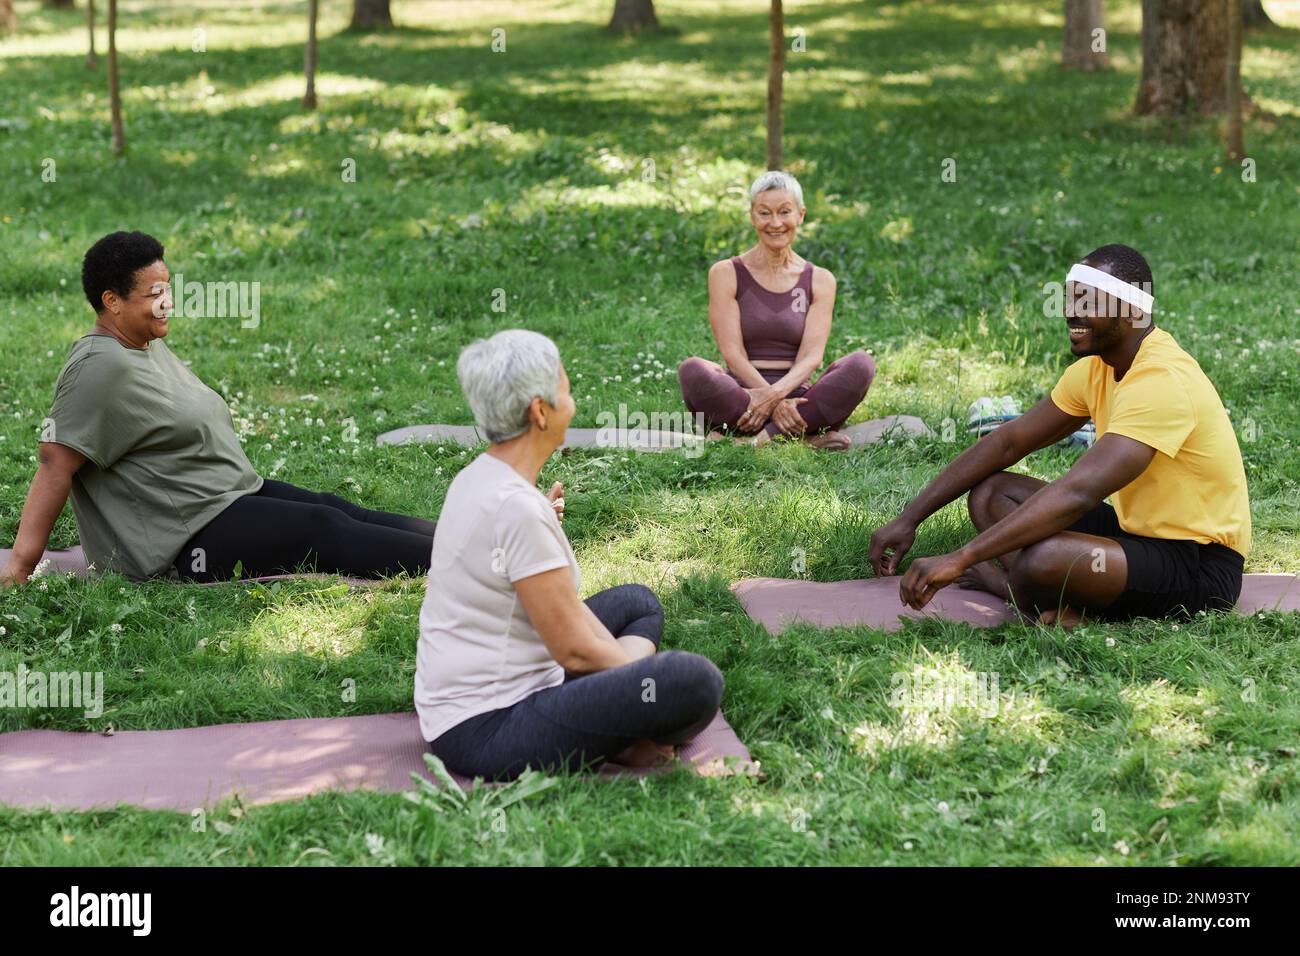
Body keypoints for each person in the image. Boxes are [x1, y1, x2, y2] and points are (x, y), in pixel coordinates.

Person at [0, 231, 449, 586]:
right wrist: (20, 566)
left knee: (337, 509)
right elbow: (54, 464)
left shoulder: (143, 344)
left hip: (226, 497)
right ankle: (468, 568)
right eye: (153, 293)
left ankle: (471, 541)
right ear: (111, 301)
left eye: (168, 289)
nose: (167, 302)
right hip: (181, 540)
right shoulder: (97, 367)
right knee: (321, 527)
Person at [868, 244, 1250, 628]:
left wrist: (961, 558)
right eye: (1071, 298)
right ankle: (1043, 594)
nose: (1071, 312)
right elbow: (1008, 443)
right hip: (1135, 534)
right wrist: (910, 518)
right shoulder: (1097, 369)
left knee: (1045, 558)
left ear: (1132, 310)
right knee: (991, 495)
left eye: (1088, 301)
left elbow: (1078, 491)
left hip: (1199, 566)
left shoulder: (1162, 379)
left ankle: (1021, 588)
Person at [417, 329, 724, 780]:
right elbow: (574, 651)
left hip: (492, 690)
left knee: (638, 602)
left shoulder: (483, 477)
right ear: (540, 411)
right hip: (487, 728)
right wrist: (642, 680)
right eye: (566, 389)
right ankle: (622, 733)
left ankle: (617, 725)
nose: (573, 400)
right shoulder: (515, 507)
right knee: (695, 682)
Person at [677, 170, 876, 451]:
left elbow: (811, 357)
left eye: (784, 212)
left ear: (801, 215)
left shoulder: (820, 279)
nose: (775, 223)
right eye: (764, 213)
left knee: (861, 365)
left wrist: (775, 396)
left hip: (801, 402)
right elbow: (732, 354)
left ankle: (756, 441)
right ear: (752, 216)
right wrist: (770, 400)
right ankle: (805, 438)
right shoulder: (725, 273)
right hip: (743, 402)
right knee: (693, 370)